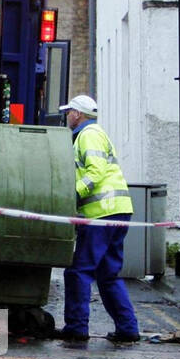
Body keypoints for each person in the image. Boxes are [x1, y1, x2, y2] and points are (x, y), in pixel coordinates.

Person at [56, 94, 140, 343]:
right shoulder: (95, 133)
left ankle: (77, 328)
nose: (67, 115)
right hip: (118, 210)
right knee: (108, 274)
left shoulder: (88, 135)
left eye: (69, 111)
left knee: (79, 271)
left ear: (78, 114)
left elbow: (95, 171)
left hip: (101, 214)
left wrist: (73, 193)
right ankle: (127, 329)